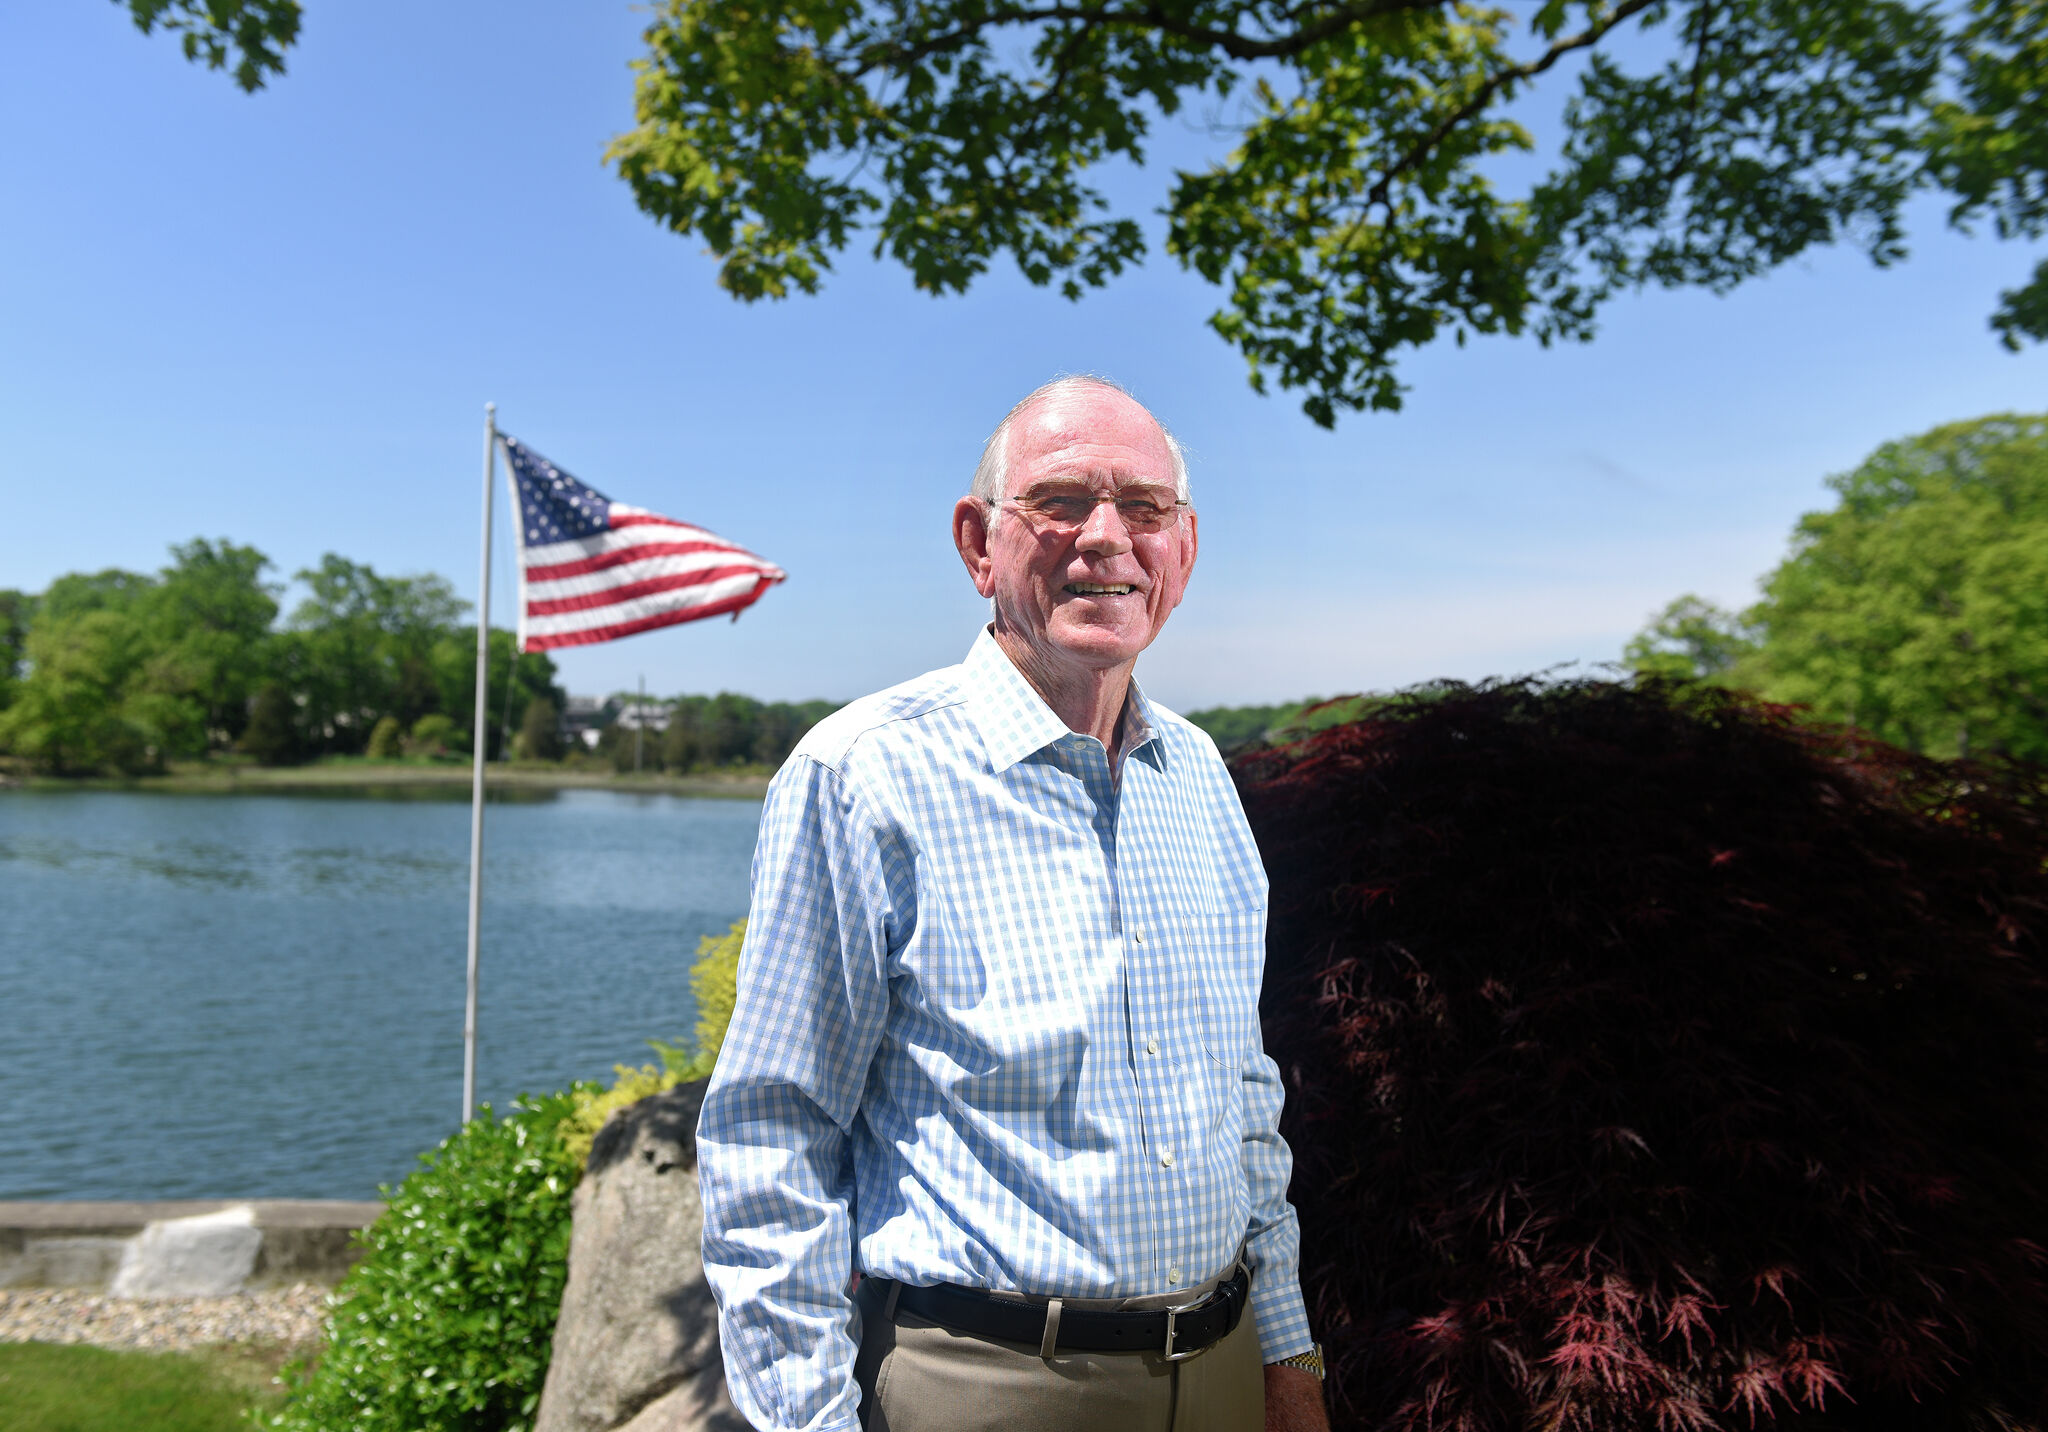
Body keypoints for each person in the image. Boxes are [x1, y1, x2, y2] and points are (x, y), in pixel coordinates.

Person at [698, 376, 1328, 1432]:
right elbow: (773, 1139)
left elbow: (1243, 1099)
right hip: (987, 1389)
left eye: (1143, 508)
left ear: (1183, 549)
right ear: (977, 544)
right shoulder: (863, 773)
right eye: (1060, 499)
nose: (1105, 540)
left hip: (1218, 1375)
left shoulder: (1199, 776)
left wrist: (1284, 1350)